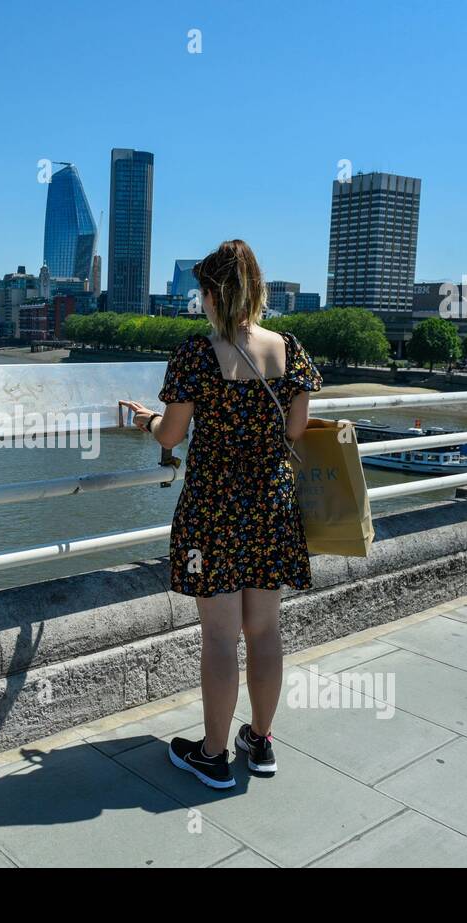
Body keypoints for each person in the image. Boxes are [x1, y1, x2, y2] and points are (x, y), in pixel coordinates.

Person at [119, 239, 322, 789]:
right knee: (265, 631)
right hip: (272, 507)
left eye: (201, 292)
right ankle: (260, 741)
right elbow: (296, 431)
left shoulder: (196, 354)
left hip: (212, 508)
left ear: (212, 293)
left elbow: (172, 433)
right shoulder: (290, 350)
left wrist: (144, 421)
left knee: (218, 637)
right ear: (257, 289)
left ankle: (212, 755)